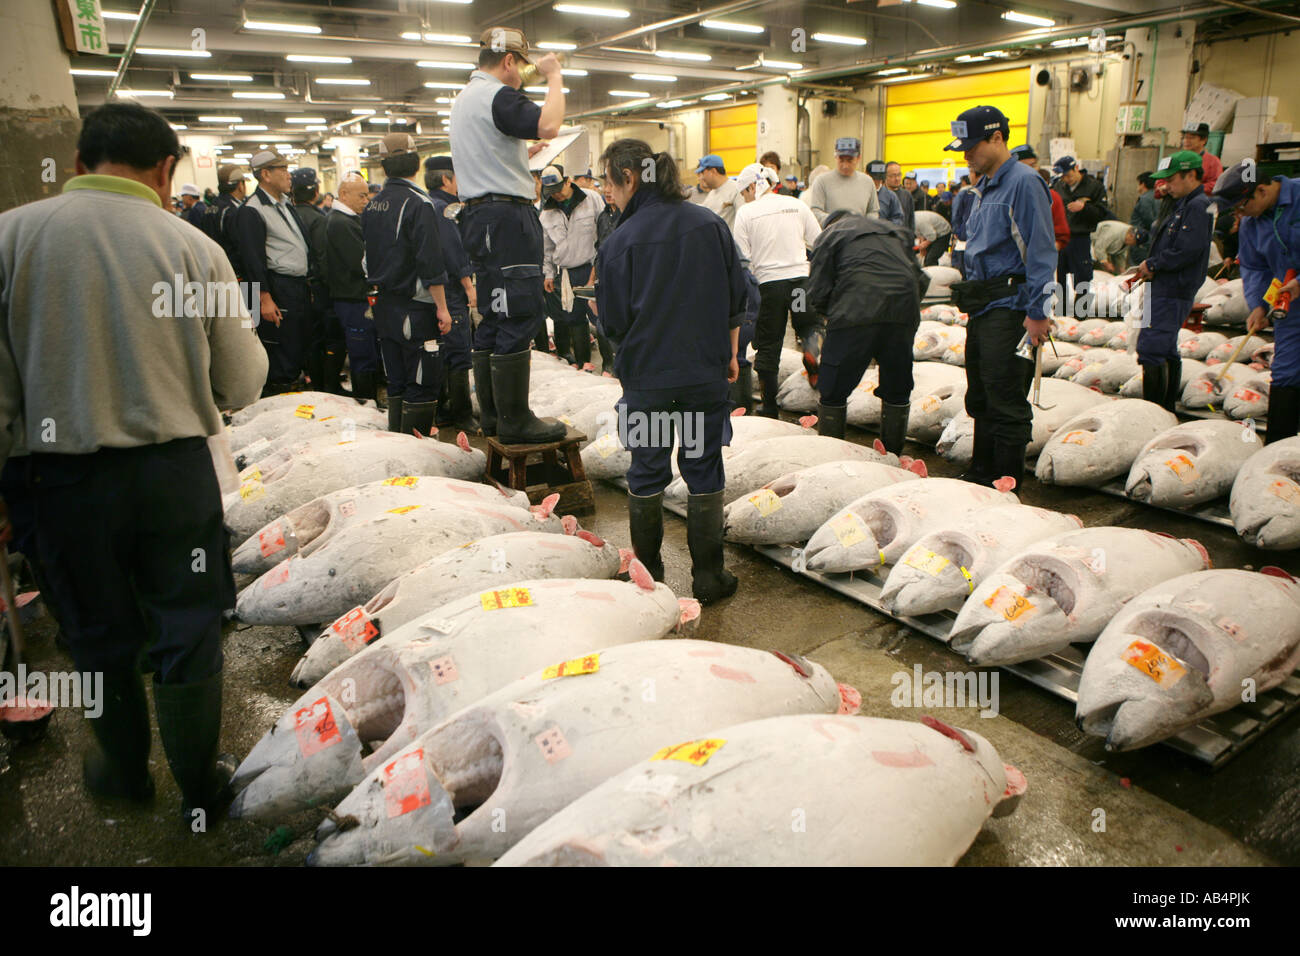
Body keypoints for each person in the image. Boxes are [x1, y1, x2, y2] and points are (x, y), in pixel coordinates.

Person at [0, 102, 267, 825]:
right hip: (171, 476)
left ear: (81, 165)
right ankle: (198, 788)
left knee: (94, 634)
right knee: (186, 625)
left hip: (56, 480)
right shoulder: (192, 247)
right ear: (164, 169)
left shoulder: (10, 238)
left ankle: (123, 773)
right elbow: (243, 380)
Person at [596, 139, 745, 604]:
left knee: (647, 470)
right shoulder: (709, 224)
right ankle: (709, 577)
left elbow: (613, 322)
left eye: (608, 181)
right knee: (702, 468)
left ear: (629, 177)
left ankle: (650, 577)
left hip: (649, 383)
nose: (607, 192)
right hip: (703, 378)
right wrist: (732, 355)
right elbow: (737, 299)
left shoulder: (620, 240)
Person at [450, 26, 567, 443]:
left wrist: (521, 153)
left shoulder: (465, 99)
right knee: (519, 312)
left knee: (494, 316)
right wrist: (553, 75)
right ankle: (517, 422)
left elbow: (489, 150)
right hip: (507, 220)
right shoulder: (498, 93)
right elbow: (550, 124)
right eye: (520, 68)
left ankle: (495, 418)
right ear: (508, 62)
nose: (520, 78)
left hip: (479, 219)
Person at [944, 105, 1056, 489]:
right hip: (984, 307)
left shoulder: (1024, 183)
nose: (966, 154)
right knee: (981, 394)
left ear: (996, 138)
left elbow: (1041, 250)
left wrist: (1039, 312)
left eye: (972, 146)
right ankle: (981, 473)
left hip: (1011, 309)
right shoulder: (985, 186)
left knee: (1005, 396)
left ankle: (1006, 485)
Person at [807, 209, 925, 450]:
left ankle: (830, 454)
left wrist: (828, 316)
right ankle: (893, 453)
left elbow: (818, 287)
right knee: (897, 382)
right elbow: (920, 278)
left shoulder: (830, 235)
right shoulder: (894, 231)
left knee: (832, 386)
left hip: (855, 309)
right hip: (903, 308)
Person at [362, 132, 453, 436]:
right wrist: (442, 307)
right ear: (415, 162)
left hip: (385, 306)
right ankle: (417, 456)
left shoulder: (373, 205)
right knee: (422, 380)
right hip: (415, 307)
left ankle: (401, 449)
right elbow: (430, 262)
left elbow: (366, 259)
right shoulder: (419, 204)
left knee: (397, 380)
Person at [1215, 160, 1300, 442]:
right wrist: (1259, 305)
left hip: (1294, 290)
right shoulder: (1252, 223)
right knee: (1285, 373)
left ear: (1261, 190)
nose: (1239, 214)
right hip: (1289, 307)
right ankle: (1276, 451)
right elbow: (1254, 267)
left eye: (1241, 205)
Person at [731, 163, 821, 417]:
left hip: (770, 288)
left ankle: (769, 406)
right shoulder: (797, 205)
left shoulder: (747, 213)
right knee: (808, 326)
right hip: (800, 284)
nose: (744, 198)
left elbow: (742, 257)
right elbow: (819, 241)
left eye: (744, 192)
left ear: (751, 186)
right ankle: (813, 351)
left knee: (769, 344)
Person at [1132, 151, 1212, 412]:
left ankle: (1153, 414)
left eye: (1171, 179)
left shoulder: (1197, 206)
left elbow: (1187, 250)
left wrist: (1154, 264)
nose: (1165, 185)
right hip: (1166, 286)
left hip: (1172, 287)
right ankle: (1165, 411)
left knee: (1151, 348)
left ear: (1190, 175)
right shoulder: (1182, 205)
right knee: (1165, 348)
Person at [236, 147, 313, 394]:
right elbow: (252, 260)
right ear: (266, 175)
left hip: (296, 287)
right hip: (277, 288)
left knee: (298, 345)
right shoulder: (252, 209)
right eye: (283, 170)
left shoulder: (284, 204)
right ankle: (280, 398)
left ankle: (295, 394)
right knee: (282, 351)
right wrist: (264, 299)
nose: (289, 175)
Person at [423, 154, 479, 432]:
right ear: (446, 179)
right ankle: (460, 415)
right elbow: (453, 250)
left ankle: (444, 409)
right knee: (458, 352)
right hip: (450, 290)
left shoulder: (428, 203)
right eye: (457, 176)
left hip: (435, 289)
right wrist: (469, 285)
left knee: (444, 351)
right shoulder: (443, 208)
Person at [538, 163, 606, 374]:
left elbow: (604, 229)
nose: (556, 195)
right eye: (551, 192)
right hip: (567, 271)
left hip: (593, 267)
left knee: (601, 318)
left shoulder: (591, 199)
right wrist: (548, 273)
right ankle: (583, 362)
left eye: (559, 189)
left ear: (568, 181)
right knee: (574, 318)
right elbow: (547, 248)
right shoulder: (547, 212)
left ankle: (610, 365)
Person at [324, 173, 382, 402]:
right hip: (352, 300)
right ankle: (365, 402)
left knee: (365, 351)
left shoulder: (348, 219)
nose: (366, 200)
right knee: (362, 353)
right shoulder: (340, 222)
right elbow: (359, 263)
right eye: (361, 195)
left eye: (367, 195)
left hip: (354, 298)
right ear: (344, 194)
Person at [292, 166, 346, 394]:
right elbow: (324, 258)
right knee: (332, 338)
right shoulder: (318, 219)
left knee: (310, 339)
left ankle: (314, 382)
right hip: (319, 288)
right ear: (315, 191)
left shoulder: (289, 214)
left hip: (296, 288)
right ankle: (330, 386)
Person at [1052, 156, 1107, 297]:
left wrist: (1084, 207)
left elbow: (1102, 213)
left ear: (1076, 168)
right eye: (1063, 177)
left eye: (1068, 175)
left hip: (1080, 238)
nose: (1066, 180)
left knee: (1083, 278)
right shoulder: (1059, 186)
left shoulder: (1094, 186)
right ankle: (1061, 313)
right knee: (1060, 278)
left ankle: (1081, 316)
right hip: (1061, 238)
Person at [804, 138, 879, 225]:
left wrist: (863, 224)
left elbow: (873, 211)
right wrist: (838, 222)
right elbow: (815, 212)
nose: (845, 165)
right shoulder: (822, 181)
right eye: (841, 160)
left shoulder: (868, 182)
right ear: (835, 157)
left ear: (858, 158)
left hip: (859, 235)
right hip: (832, 235)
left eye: (850, 160)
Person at [1012, 144, 1069, 254]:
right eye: (1027, 166)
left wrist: (1044, 256)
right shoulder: (1005, 196)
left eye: (1034, 165)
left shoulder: (1051, 197)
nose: (1033, 171)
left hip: (1040, 263)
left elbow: (1061, 236)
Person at [201, 163, 247, 276]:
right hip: (236, 273)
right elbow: (242, 246)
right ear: (240, 186)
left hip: (215, 270)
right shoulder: (233, 211)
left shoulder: (210, 207)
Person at [695, 154, 742, 231]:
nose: (702, 177)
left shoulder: (736, 189)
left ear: (713, 171)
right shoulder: (712, 193)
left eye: (703, 173)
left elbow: (742, 220)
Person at [1182, 122, 1223, 195]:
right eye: (1184, 137)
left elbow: (1216, 184)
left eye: (1191, 138)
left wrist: (1192, 189)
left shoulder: (1213, 161)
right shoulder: (1177, 158)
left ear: (1204, 140)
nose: (1186, 141)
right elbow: (1162, 179)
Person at [1129, 171, 1158, 264]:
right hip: (1152, 240)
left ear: (1143, 184)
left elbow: (1148, 219)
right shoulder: (1158, 197)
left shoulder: (1144, 199)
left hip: (1140, 240)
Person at [866, 159, 903, 225]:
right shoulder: (861, 193)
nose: (877, 181)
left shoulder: (891, 196)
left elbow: (898, 218)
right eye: (874, 178)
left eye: (880, 178)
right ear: (866, 175)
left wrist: (885, 226)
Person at [885, 161, 915, 232]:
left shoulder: (907, 195)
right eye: (893, 175)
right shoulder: (881, 195)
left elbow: (911, 219)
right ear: (885, 176)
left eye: (899, 175)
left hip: (903, 237)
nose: (897, 178)